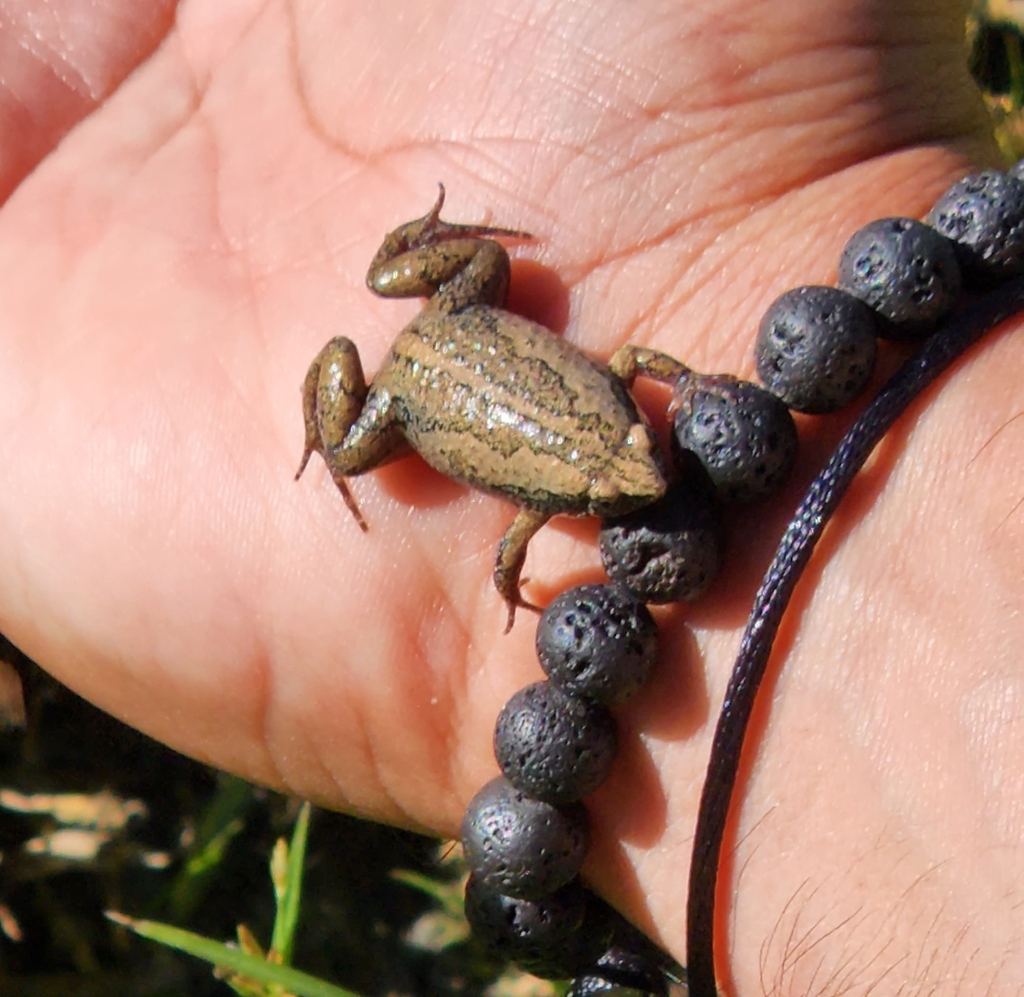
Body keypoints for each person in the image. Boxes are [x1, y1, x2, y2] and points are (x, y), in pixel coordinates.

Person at [0, 1, 1020, 993]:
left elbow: (557, 480)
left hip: (450, 358)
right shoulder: (550, 462)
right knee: (371, 433)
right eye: (621, 471)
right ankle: (328, 424)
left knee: (477, 282)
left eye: (636, 445)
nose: (647, 472)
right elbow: (563, 468)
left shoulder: (595, 447)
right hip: (416, 388)